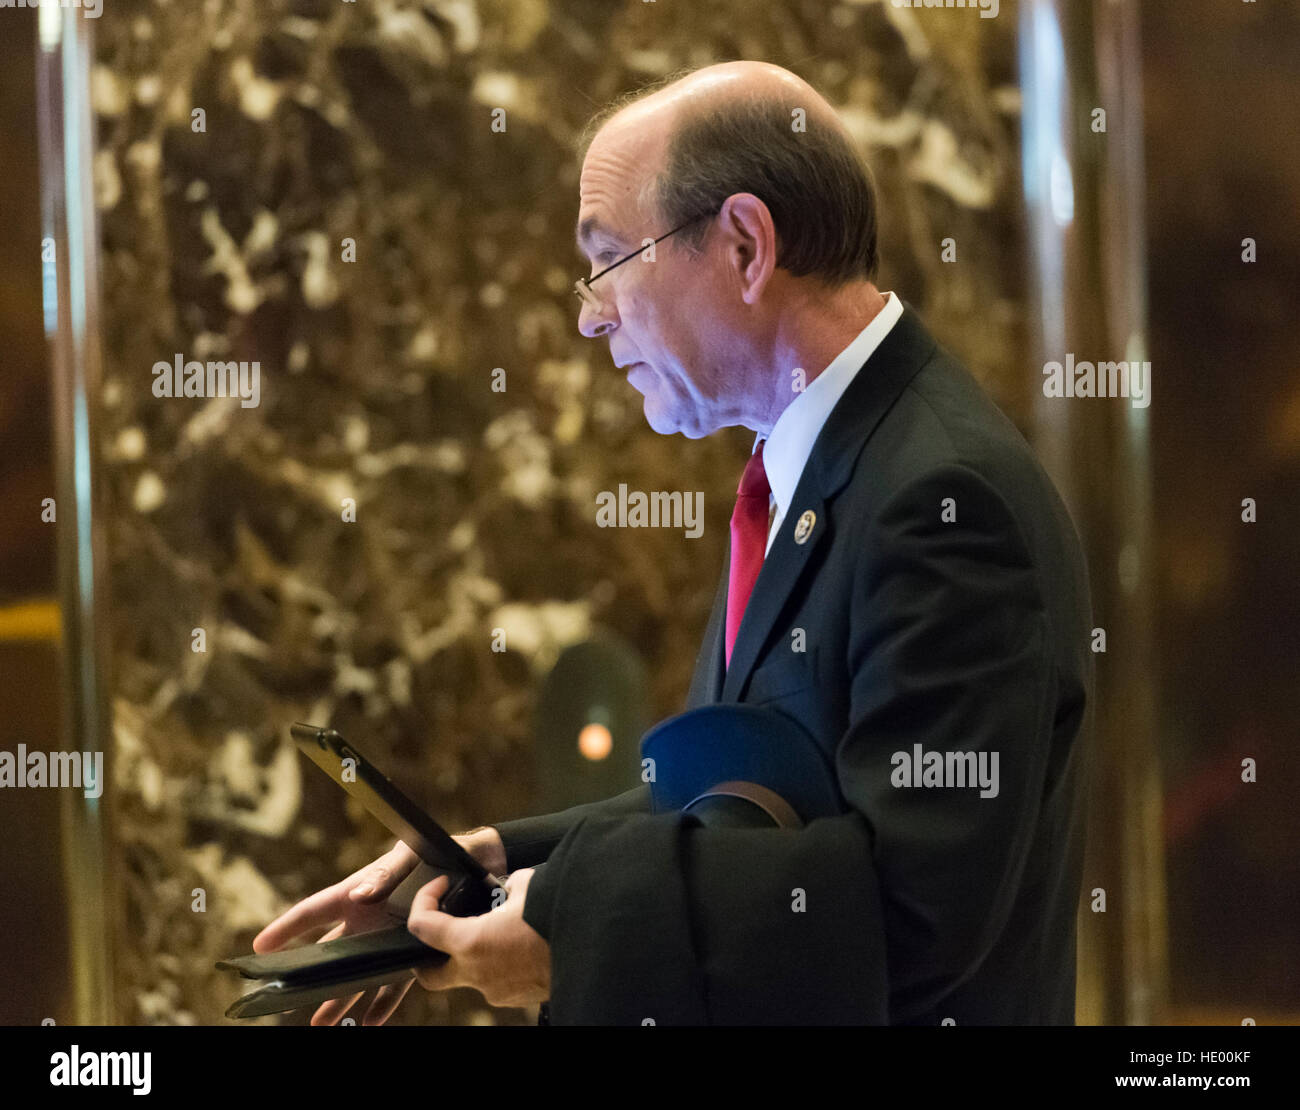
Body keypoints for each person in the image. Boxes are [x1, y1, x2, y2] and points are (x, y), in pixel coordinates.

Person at [254, 60, 1092, 1026]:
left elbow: (914, 912)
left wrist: (571, 929)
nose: (588, 313)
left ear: (743, 245)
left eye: (607, 260)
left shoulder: (943, 498)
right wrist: (507, 862)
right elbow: (767, 799)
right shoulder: (826, 465)